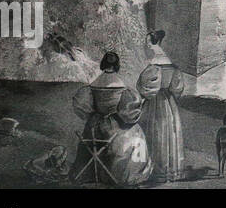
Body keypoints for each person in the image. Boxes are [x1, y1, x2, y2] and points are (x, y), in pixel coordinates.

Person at [69, 52, 152, 185]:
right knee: (137, 135)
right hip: (114, 127)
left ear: (103, 63)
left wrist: (95, 113)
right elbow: (129, 114)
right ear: (117, 65)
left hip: (94, 126)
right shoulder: (120, 84)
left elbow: (82, 106)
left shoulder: (94, 83)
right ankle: (124, 173)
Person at [138, 30, 185, 183]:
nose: (146, 45)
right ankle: (167, 171)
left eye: (148, 42)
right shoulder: (172, 66)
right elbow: (177, 89)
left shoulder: (153, 66)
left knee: (153, 132)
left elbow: (143, 87)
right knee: (168, 134)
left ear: (153, 44)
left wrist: (146, 93)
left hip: (154, 103)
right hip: (169, 104)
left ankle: (153, 170)